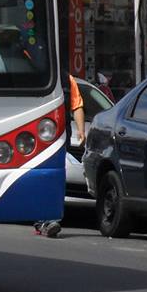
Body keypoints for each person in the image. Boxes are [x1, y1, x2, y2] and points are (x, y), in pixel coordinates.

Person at [34, 74, 84, 238]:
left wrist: (81, 130)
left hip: (61, 138)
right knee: (42, 176)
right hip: (41, 137)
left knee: (56, 178)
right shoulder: (38, 73)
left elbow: (76, 106)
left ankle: (49, 219)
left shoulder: (68, 80)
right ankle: (44, 220)